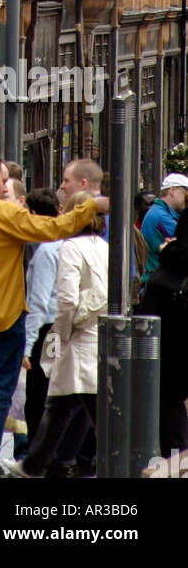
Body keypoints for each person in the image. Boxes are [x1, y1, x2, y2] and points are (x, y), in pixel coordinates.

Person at [0, 151, 108, 477]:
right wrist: (90, 206)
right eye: (2, 179)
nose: (4, 185)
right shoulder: (2, 213)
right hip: (5, 316)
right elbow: (56, 228)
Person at [4, 192, 108, 478]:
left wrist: (59, 335)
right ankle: (38, 464)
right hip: (96, 337)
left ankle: (41, 464)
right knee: (65, 405)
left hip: (74, 337)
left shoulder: (68, 248)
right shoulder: (104, 246)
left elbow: (66, 300)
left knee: (76, 405)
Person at [139, 208, 188, 456]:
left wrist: (167, 249)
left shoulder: (167, 270)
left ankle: (177, 463)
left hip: (172, 340)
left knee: (169, 402)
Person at [21, 188, 63, 446]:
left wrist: (27, 344)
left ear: (33, 214)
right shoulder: (64, 243)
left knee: (38, 393)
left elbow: (38, 300)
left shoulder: (47, 251)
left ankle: (37, 451)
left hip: (46, 329)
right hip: (60, 328)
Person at [140, 173, 188, 286]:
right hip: (161, 284)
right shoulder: (160, 216)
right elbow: (182, 246)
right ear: (172, 190)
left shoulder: (161, 213)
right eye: (186, 193)